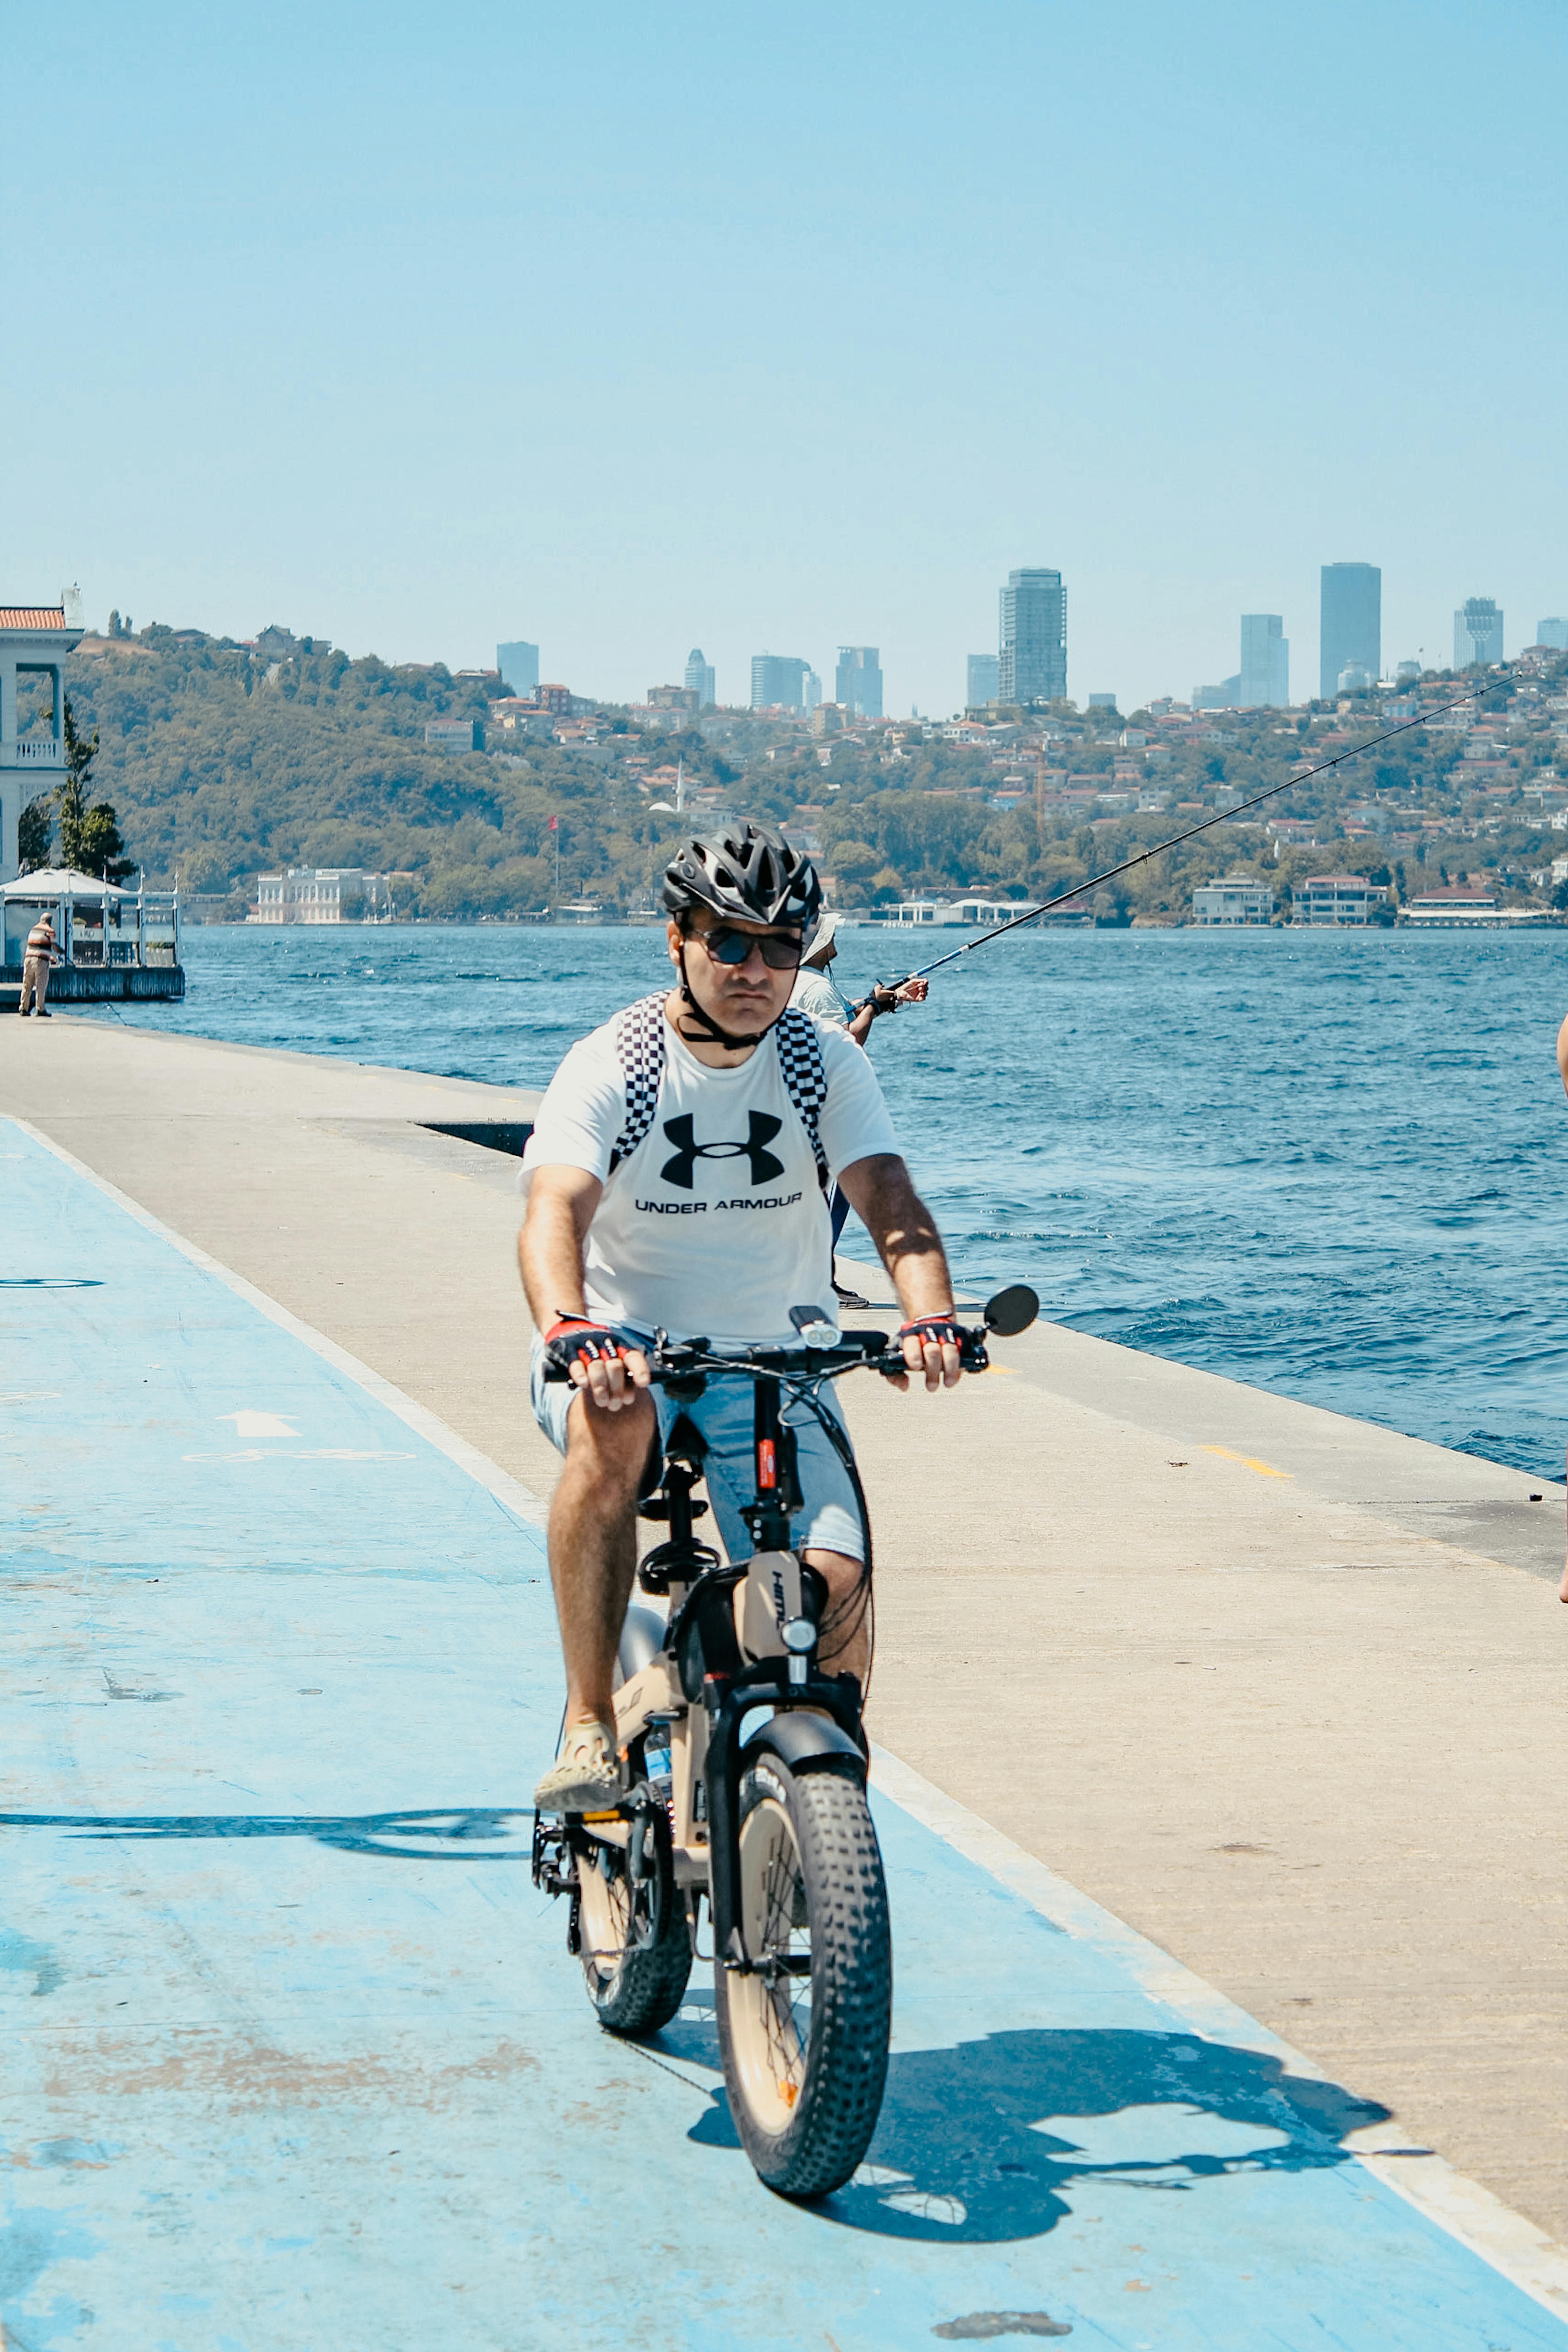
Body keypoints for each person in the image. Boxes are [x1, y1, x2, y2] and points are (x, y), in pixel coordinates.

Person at [518, 821, 964, 1813]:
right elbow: (555, 1207)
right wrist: (568, 1324)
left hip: (776, 1355)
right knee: (616, 1423)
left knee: (835, 1574)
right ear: (676, 939)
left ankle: (818, 1746)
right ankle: (591, 1719)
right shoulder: (618, 1062)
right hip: (626, 1352)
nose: (756, 968)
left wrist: (928, 1317)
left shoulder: (820, 1063)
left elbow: (890, 1201)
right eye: (730, 941)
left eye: (781, 947)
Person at [789, 910, 929, 1307]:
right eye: (831, 935)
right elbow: (848, 1039)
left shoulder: (799, 982)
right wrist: (871, 1009)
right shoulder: (816, 987)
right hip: (825, 1107)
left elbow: (834, 1017)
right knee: (840, 1192)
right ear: (821, 944)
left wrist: (885, 1000)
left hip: (801, 1103)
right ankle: (820, 1281)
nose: (835, 939)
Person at [18, 912, 59, 1017]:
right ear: (50, 921)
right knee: (41, 986)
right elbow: (55, 947)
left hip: (28, 959)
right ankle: (40, 1010)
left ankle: (24, 1008)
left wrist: (50, 957)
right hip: (40, 962)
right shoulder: (50, 931)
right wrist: (62, 951)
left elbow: (37, 947)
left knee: (27, 985)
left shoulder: (33, 930)